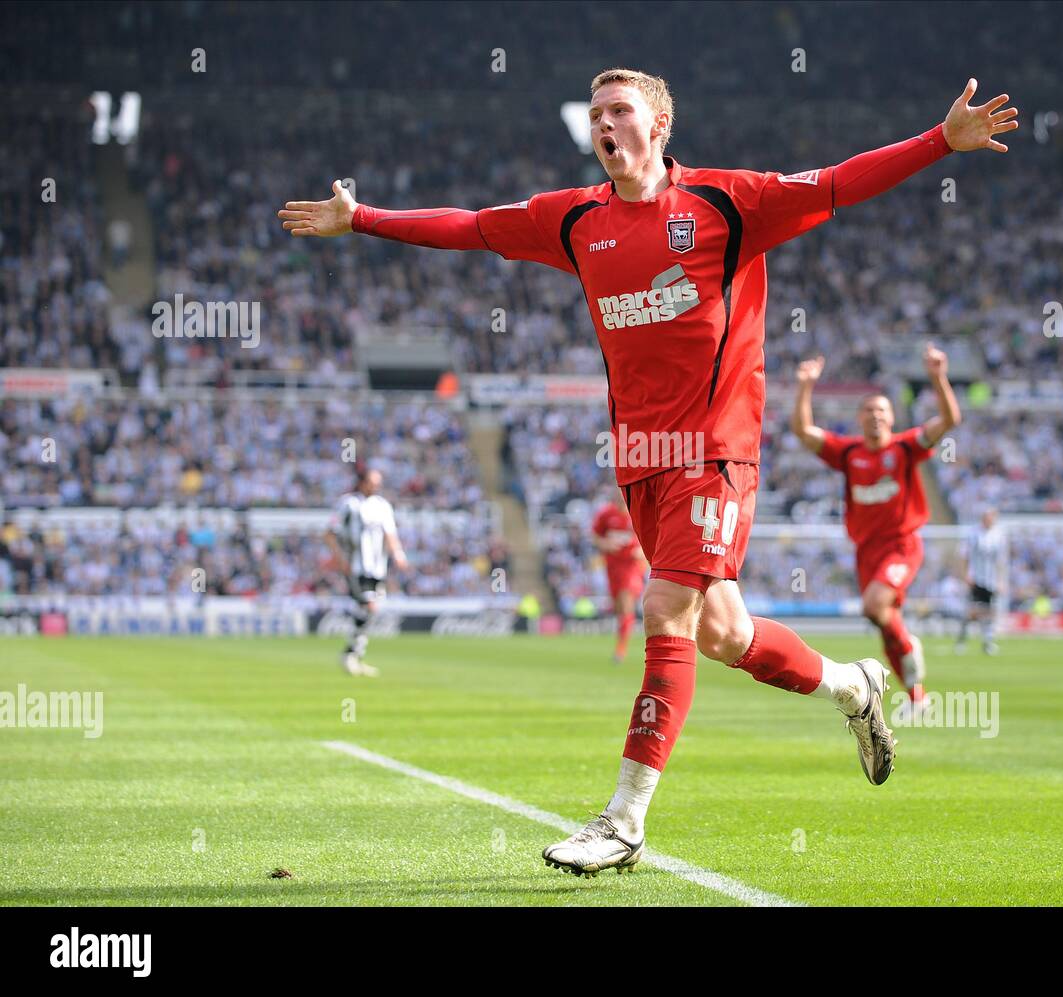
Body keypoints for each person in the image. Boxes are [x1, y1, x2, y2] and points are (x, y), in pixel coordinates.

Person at [281, 68, 1016, 875]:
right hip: (640, 462)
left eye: (620, 111)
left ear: (660, 123)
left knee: (665, 609)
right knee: (724, 634)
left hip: (716, 448)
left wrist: (939, 141)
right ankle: (853, 687)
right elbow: (470, 227)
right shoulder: (574, 219)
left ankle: (624, 818)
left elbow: (839, 183)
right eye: (596, 114)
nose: (604, 124)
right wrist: (365, 219)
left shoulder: (728, 203)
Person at [792, 345, 962, 720]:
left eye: (882, 410)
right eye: (868, 410)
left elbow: (949, 420)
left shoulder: (905, 448)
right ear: (859, 417)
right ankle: (918, 698)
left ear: (891, 417)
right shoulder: (849, 452)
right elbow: (803, 431)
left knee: (873, 605)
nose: (875, 416)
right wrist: (805, 386)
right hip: (865, 551)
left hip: (902, 546)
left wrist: (937, 377)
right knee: (881, 620)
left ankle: (909, 649)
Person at [323, 468, 409, 677]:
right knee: (368, 606)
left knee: (370, 610)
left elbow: (390, 534)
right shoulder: (348, 504)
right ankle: (350, 654)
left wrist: (398, 554)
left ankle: (355, 655)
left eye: (378, 482)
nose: (376, 486)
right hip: (355, 567)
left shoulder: (383, 506)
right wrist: (340, 558)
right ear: (362, 482)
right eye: (372, 481)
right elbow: (329, 533)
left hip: (377, 569)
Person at [591, 488, 648, 662]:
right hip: (612, 566)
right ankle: (623, 636)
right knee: (618, 606)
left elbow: (652, 534)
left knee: (625, 603)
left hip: (631, 567)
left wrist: (642, 551)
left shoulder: (638, 512)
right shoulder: (606, 514)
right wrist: (605, 544)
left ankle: (620, 649)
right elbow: (595, 536)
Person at [956, 507, 1007, 655]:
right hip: (976, 578)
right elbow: (964, 555)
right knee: (972, 611)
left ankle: (988, 642)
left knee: (990, 611)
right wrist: (966, 575)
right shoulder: (973, 534)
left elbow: (1000, 561)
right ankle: (962, 640)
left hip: (991, 580)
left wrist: (1000, 580)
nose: (990, 519)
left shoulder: (998, 535)